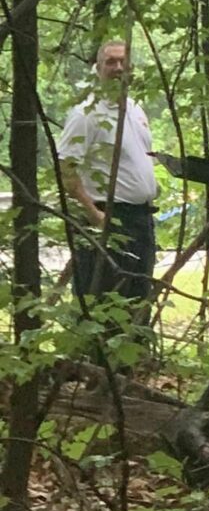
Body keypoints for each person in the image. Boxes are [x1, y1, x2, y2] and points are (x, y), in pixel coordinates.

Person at [59, 39, 159, 314]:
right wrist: (94, 214)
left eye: (122, 62)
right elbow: (66, 169)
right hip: (109, 219)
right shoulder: (87, 114)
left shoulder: (135, 110)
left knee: (138, 299)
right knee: (104, 298)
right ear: (98, 68)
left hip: (142, 220)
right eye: (110, 62)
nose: (117, 68)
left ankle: (137, 356)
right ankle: (96, 356)